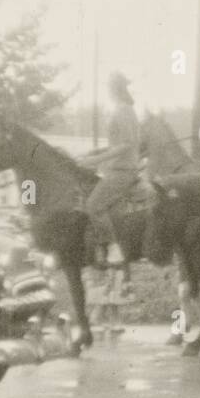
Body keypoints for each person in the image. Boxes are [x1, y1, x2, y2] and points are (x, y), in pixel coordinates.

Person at [81, 71, 140, 266]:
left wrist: (96, 159)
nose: (106, 90)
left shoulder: (123, 110)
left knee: (93, 205)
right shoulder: (125, 109)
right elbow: (117, 143)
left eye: (107, 86)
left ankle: (114, 248)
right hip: (117, 168)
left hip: (122, 171)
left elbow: (126, 144)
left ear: (114, 89)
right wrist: (96, 151)